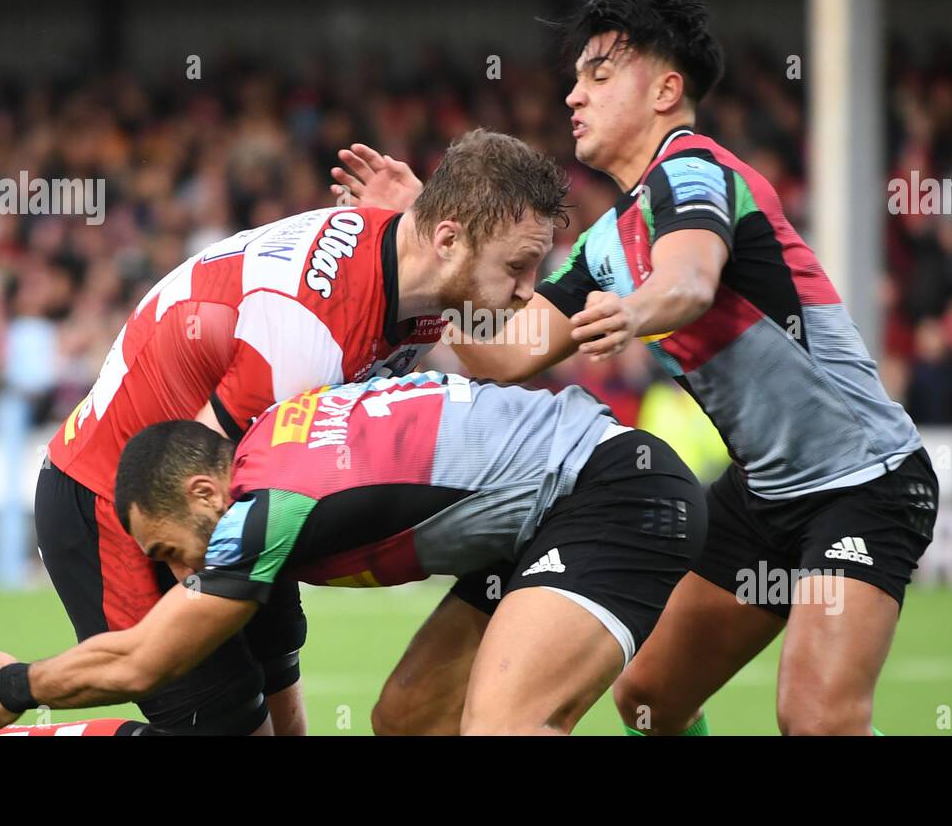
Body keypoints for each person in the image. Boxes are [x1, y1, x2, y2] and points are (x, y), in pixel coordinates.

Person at [335, 0, 938, 737]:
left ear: (665, 89)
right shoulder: (604, 243)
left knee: (817, 719)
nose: (572, 94)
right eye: (576, 78)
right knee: (649, 696)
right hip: (765, 496)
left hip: (864, 479)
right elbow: (498, 354)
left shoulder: (693, 172)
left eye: (597, 74)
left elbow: (688, 281)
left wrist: (633, 311)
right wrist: (432, 241)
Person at [35, 128, 567, 735]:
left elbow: (500, 352)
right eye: (518, 267)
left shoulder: (421, 261)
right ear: (447, 239)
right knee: (220, 723)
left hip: (235, 481)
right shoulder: (304, 334)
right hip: (127, 503)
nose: (528, 290)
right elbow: (189, 494)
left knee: (280, 692)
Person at [0, 372, 706, 736]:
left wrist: (17, 684)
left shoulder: (266, 509)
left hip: (614, 493)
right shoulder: (274, 436)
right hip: (545, 515)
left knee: (502, 726)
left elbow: (145, 660)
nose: (176, 576)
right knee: (408, 718)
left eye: (168, 552)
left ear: (207, 491)